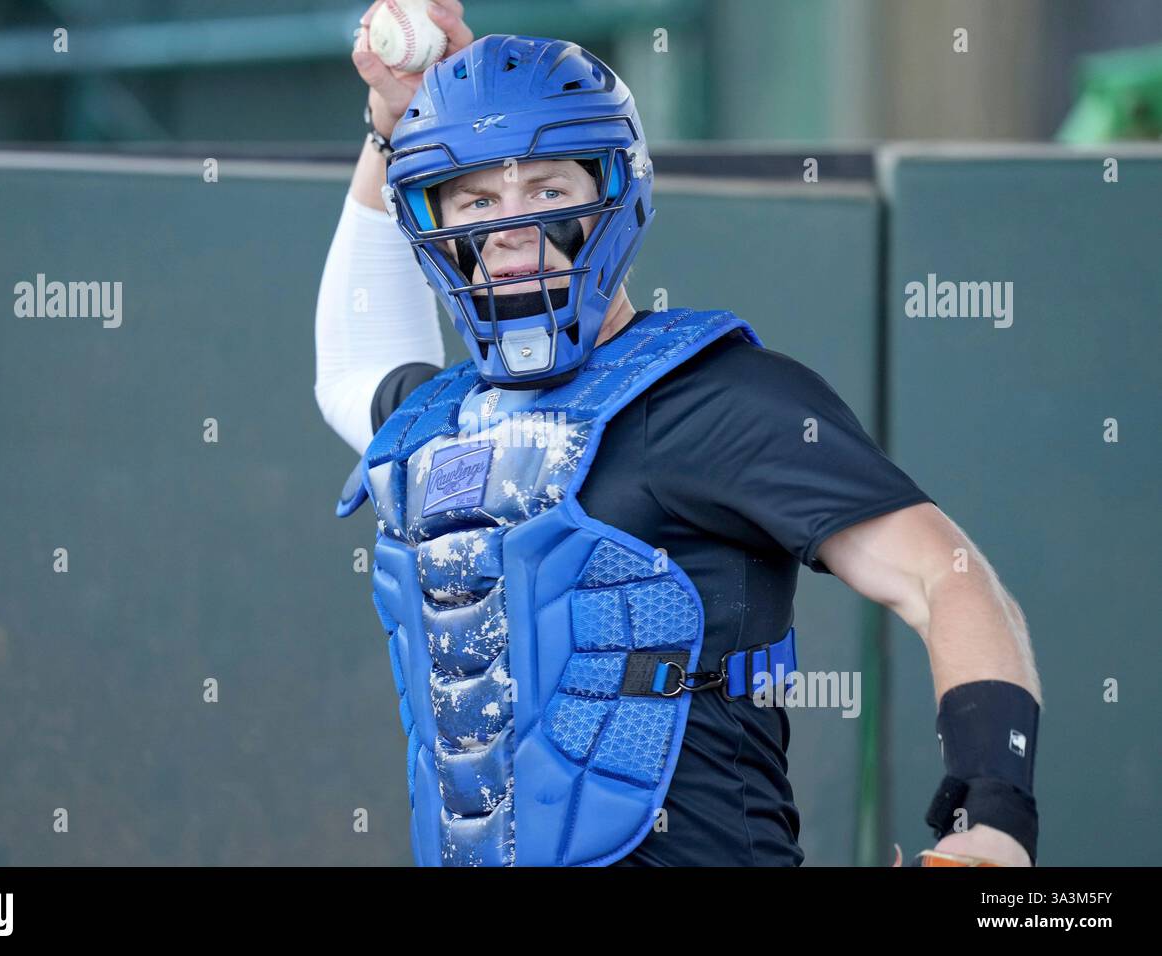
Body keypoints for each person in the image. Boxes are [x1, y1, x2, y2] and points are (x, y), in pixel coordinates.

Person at [316, 1, 1042, 867]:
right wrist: (390, 127)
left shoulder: (716, 396)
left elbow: (947, 578)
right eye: (475, 196)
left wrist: (992, 816)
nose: (509, 227)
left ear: (613, 193)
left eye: (548, 189)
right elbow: (351, 365)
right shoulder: (441, 423)